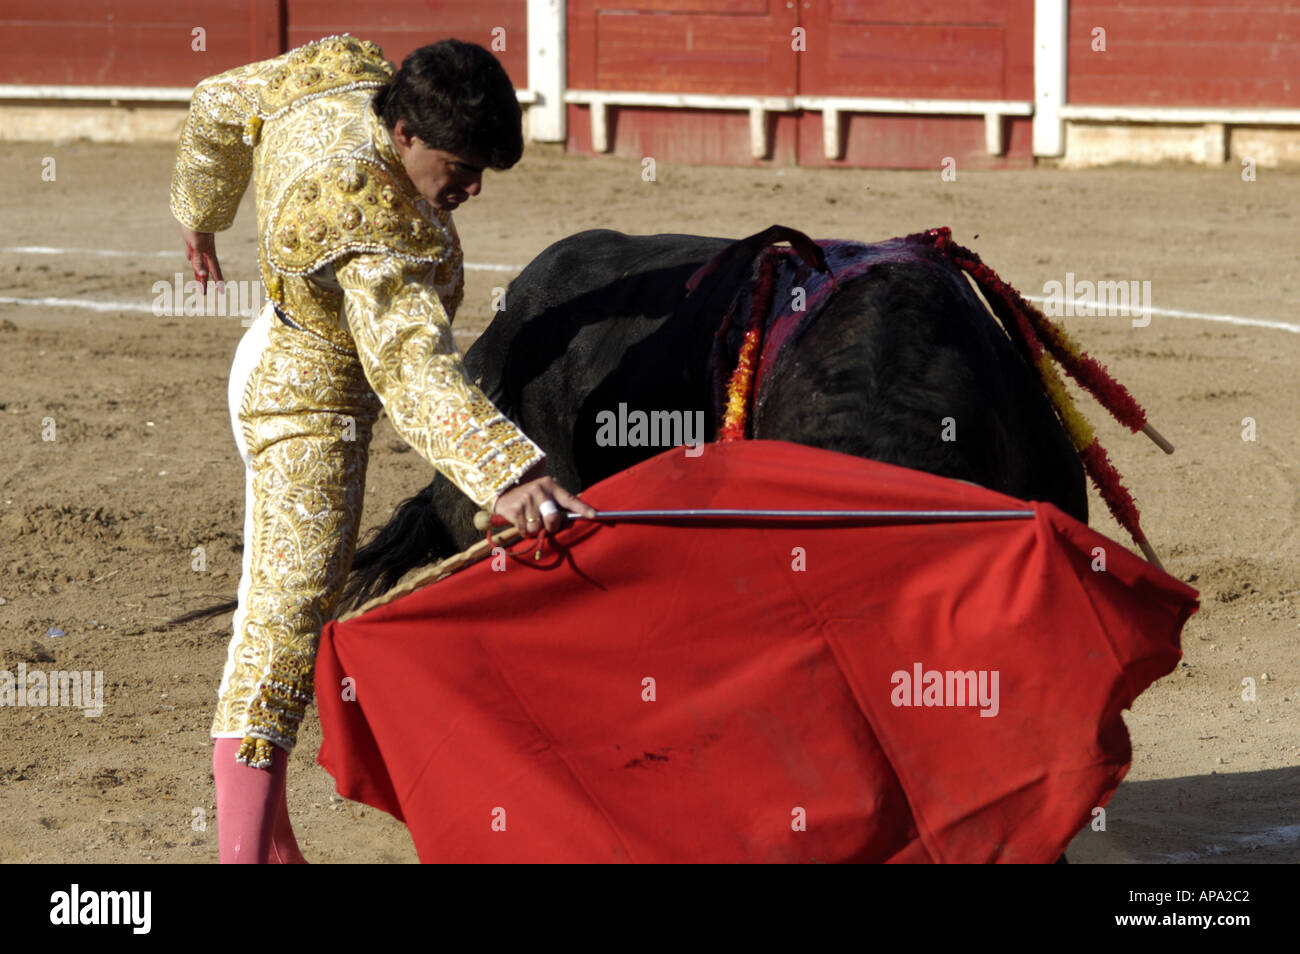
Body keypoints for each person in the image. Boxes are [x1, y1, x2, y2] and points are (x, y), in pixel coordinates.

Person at [170, 34, 592, 863]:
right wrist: (507, 471)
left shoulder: (346, 74)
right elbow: (407, 363)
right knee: (283, 627)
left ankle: (273, 842)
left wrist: (200, 212)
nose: (469, 186)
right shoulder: (367, 210)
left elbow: (219, 103)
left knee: (293, 613)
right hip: (306, 400)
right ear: (405, 134)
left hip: (282, 344)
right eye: (460, 166)